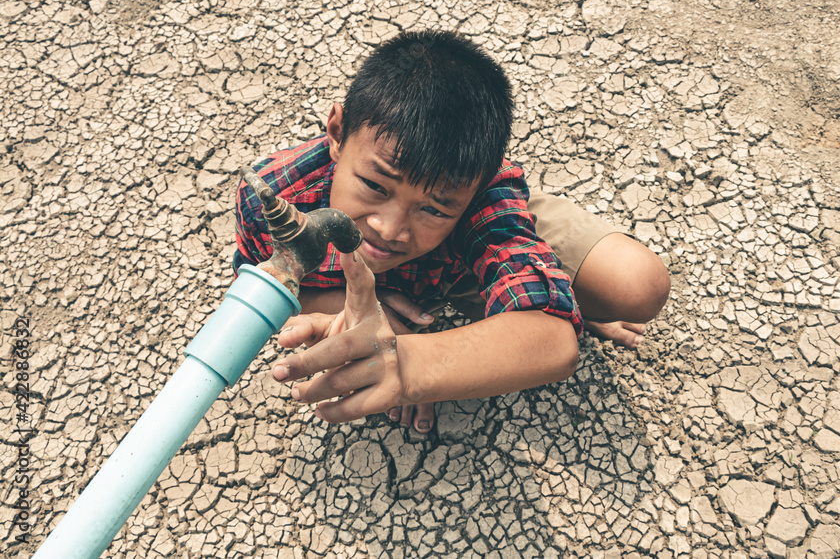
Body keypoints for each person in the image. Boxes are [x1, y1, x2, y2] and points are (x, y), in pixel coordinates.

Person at [234, 30, 670, 433]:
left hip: (459, 263)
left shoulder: (484, 198)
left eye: (433, 208)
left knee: (636, 285)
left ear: (477, 188)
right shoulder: (274, 198)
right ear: (336, 132)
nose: (390, 228)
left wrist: (409, 367)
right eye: (375, 186)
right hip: (398, 277)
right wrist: (357, 308)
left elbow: (554, 343)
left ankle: (564, 295)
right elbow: (261, 282)